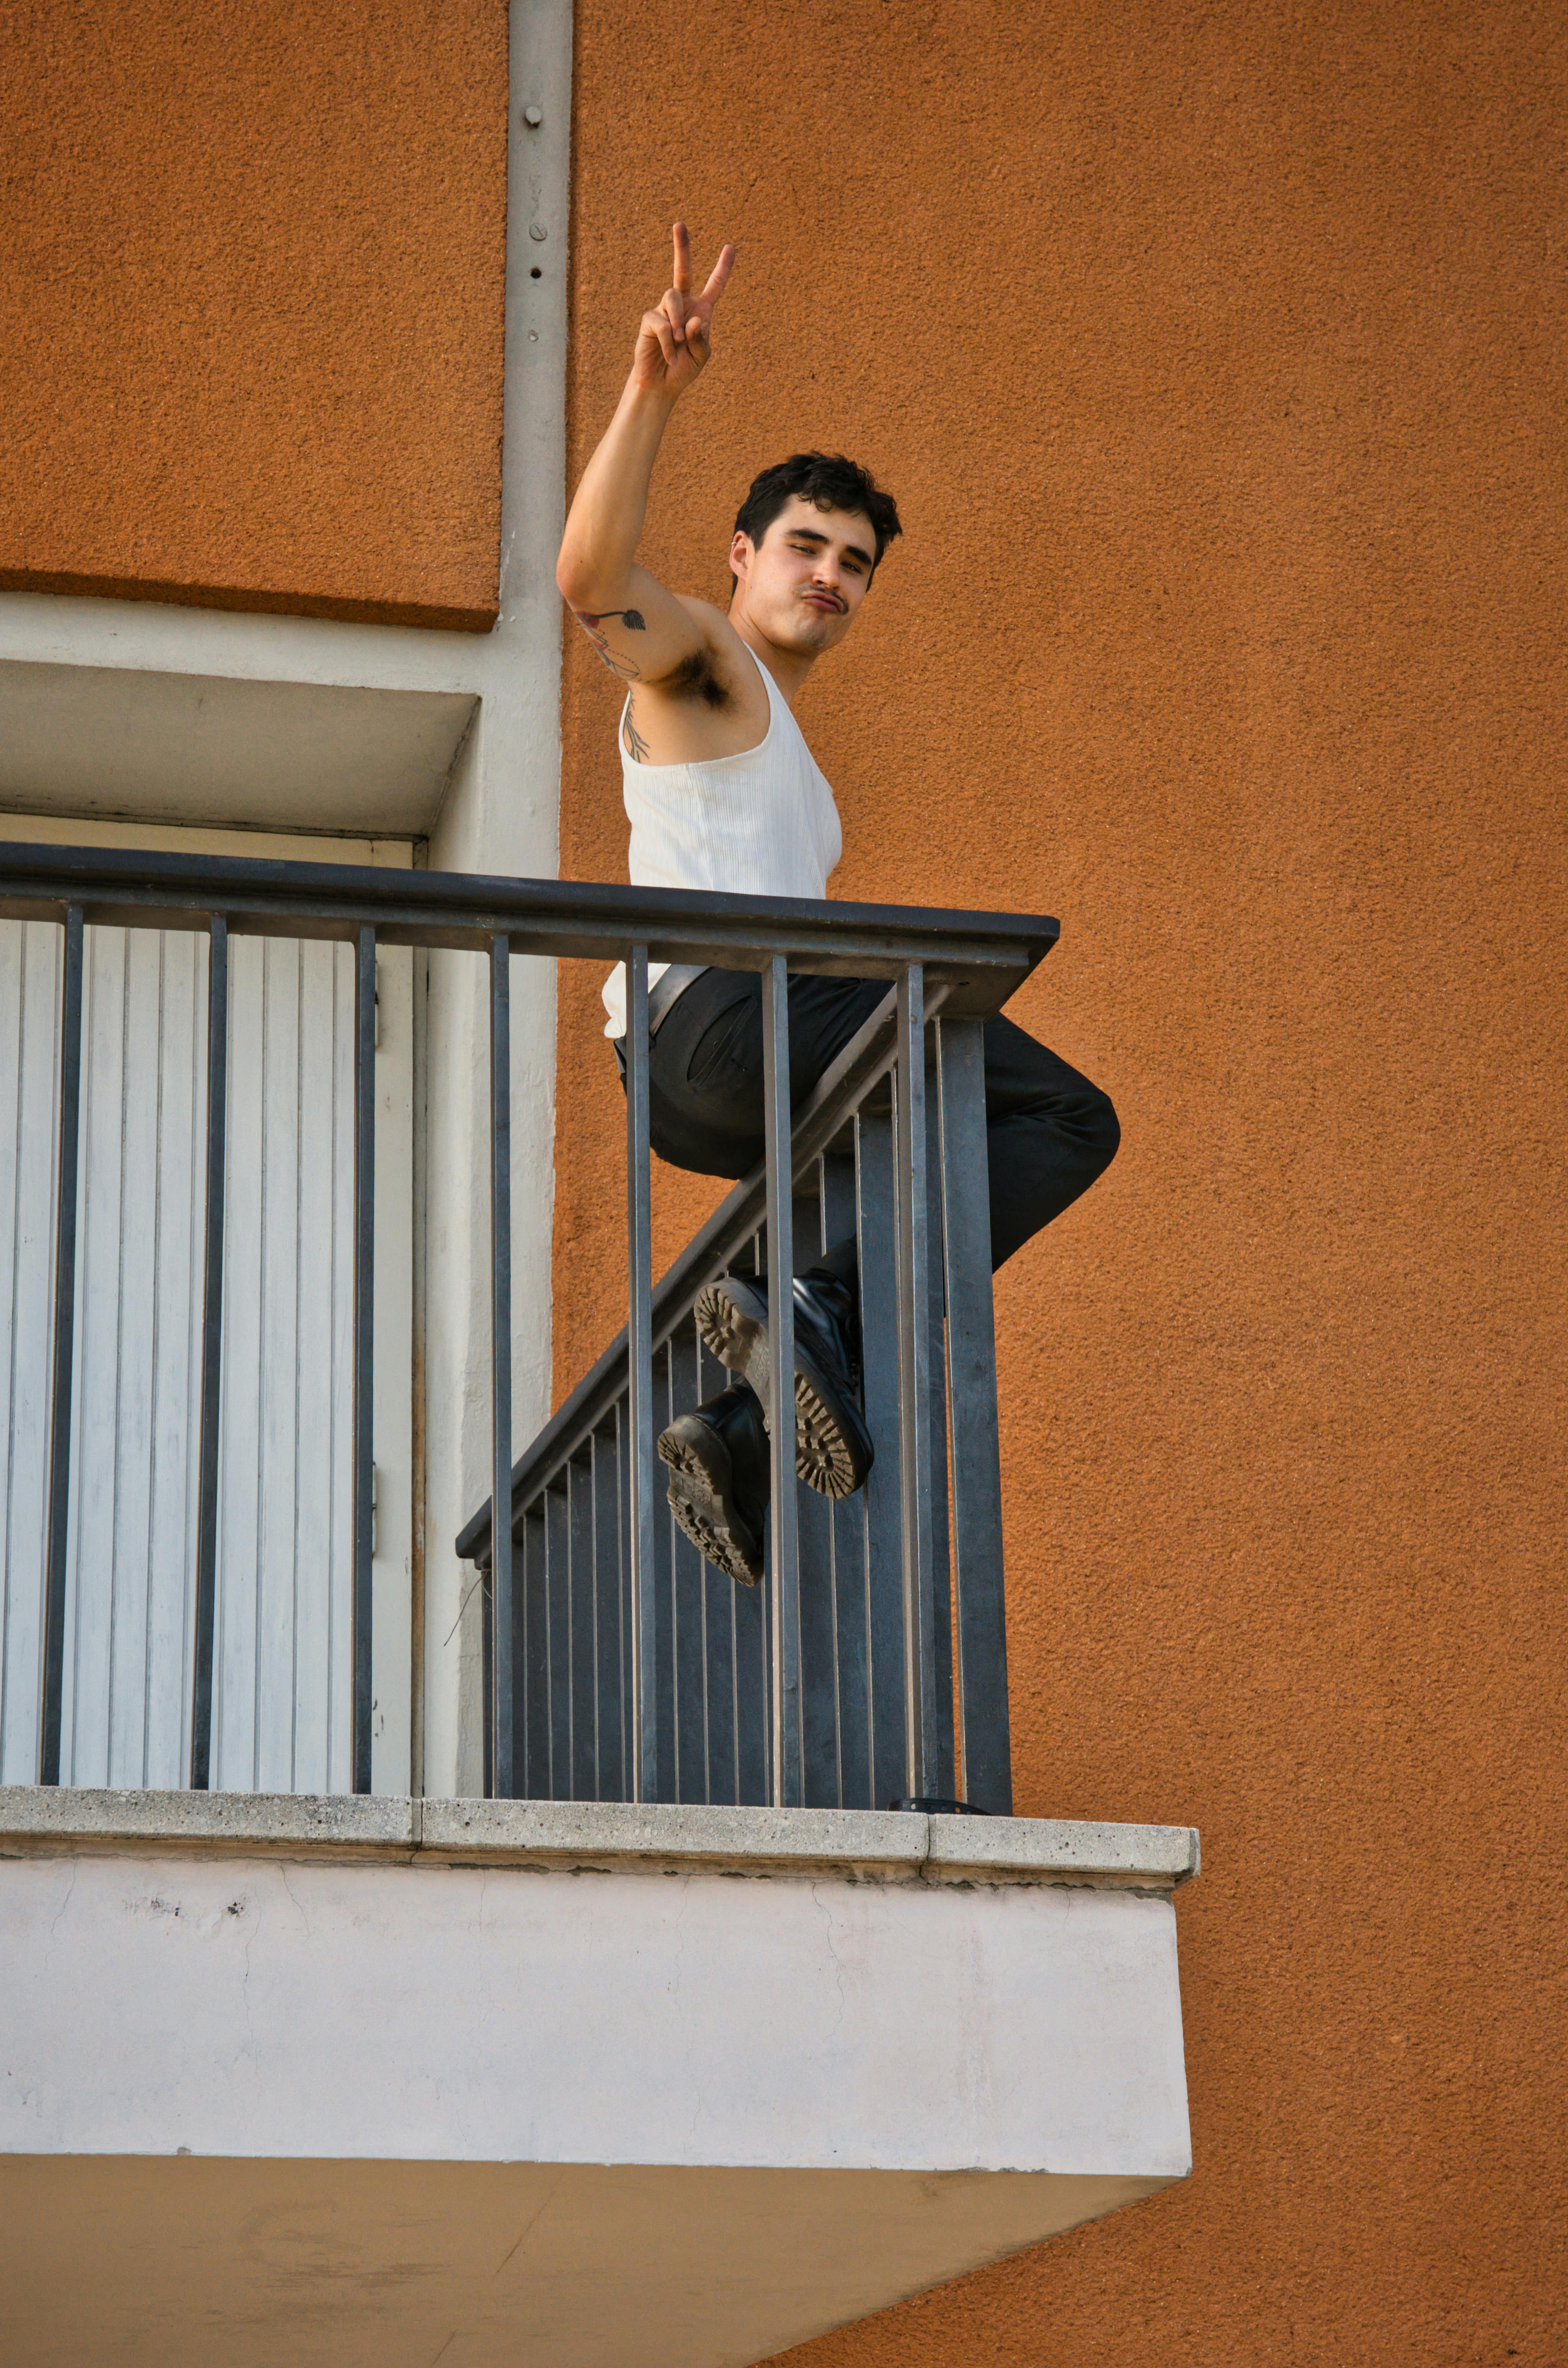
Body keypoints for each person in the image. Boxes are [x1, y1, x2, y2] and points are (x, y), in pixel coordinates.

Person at [555, 224, 1119, 1589]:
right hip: (721, 1026)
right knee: (1059, 1114)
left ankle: (738, 1426)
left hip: (704, 1072)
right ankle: (815, 1305)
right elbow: (588, 585)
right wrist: (654, 389)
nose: (829, 576)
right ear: (741, 558)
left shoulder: (792, 770)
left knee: (918, 1158)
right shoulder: (705, 671)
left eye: (855, 563)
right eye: (804, 547)